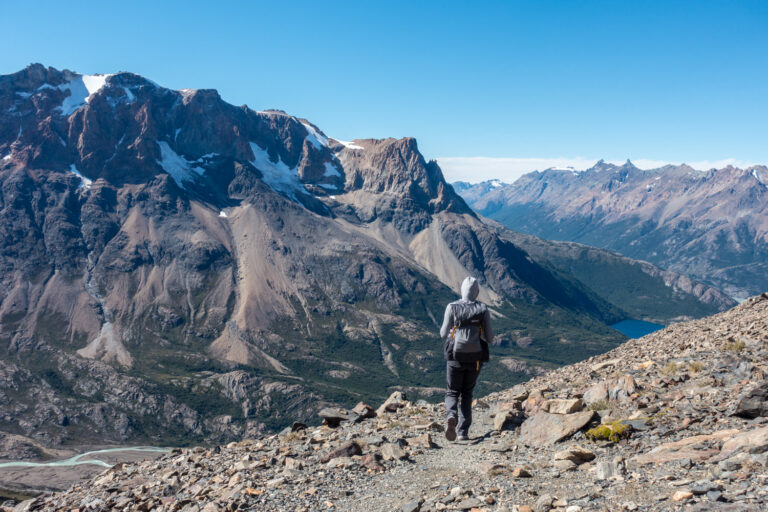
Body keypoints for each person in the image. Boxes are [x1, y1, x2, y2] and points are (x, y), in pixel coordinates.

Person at [439, 276, 493, 441]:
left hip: (455, 356)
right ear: (476, 292)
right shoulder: (483, 309)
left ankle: (451, 416)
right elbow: (490, 338)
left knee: (452, 391)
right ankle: (463, 432)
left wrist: (453, 333)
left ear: (462, 290)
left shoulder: (452, 307)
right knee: (467, 393)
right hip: (476, 358)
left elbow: (442, 334)